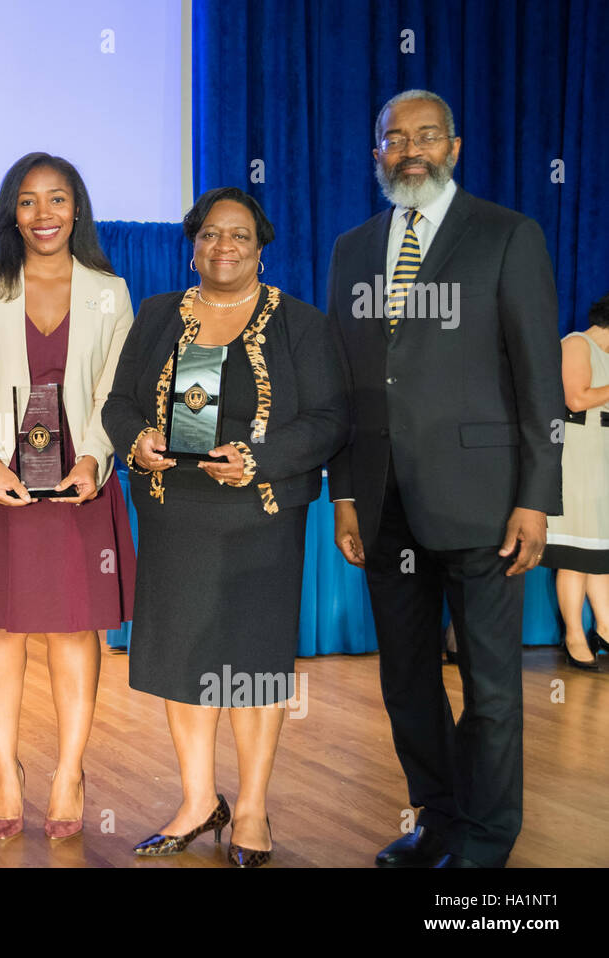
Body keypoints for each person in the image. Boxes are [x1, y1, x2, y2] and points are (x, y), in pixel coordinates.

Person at [327, 90, 564, 868]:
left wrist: (536, 497)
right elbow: (344, 385)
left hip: (487, 504)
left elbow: (538, 381)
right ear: (377, 154)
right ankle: (438, 819)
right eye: (395, 138)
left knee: (492, 691)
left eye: (426, 136)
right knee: (406, 683)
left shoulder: (507, 235)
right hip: (386, 502)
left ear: (454, 148)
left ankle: (487, 841)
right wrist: (348, 494)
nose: (411, 149)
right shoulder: (352, 249)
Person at [103, 188, 349, 867]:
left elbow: (330, 420)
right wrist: (137, 439)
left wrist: (258, 459)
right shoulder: (156, 315)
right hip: (174, 510)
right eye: (210, 234)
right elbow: (119, 404)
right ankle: (194, 801)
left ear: (261, 247)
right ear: (193, 245)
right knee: (184, 659)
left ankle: (251, 810)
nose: (224, 247)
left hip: (259, 515)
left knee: (252, 664)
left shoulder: (301, 323)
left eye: (238, 235)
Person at [0, 152, 136, 840]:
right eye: (28, 201)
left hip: (78, 480)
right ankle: (5, 771)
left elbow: (116, 392)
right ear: (10, 213)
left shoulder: (110, 290)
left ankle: (69, 771)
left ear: (77, 208)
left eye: (57, 199)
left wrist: (96, 462)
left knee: (77, 629)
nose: (43, 214)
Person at [541, 292, 609, 670]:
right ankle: (574, 635)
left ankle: (604, 625)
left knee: (599, 553)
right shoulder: (577, 343)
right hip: (577, 456)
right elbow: (577, 398)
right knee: (577, 553)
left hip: (602, 457)